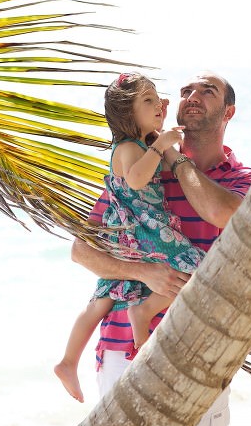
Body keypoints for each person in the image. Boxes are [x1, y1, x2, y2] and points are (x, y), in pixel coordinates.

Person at [71, 71, 251, 426]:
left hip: (198, 352)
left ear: (228, 112)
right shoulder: (139, 172)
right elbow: (82, 251)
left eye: (207, 91)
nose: (191, 96)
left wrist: (176, 159)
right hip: (123, 346)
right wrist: (141, 272)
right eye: (186, 90)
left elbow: (221, 213)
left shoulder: (244, 180)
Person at [54, 72, 207, 403]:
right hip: (140, 230)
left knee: (103, 300)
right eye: (147, 101)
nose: (157, 105)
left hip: (129, 231)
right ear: (127, 114)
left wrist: (157, 132)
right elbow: (137, 180)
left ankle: (71, 361)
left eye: (157, 98)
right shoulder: (127, 148)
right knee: (195, 266)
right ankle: (144, 313)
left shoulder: (139, 144)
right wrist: (161, 145)